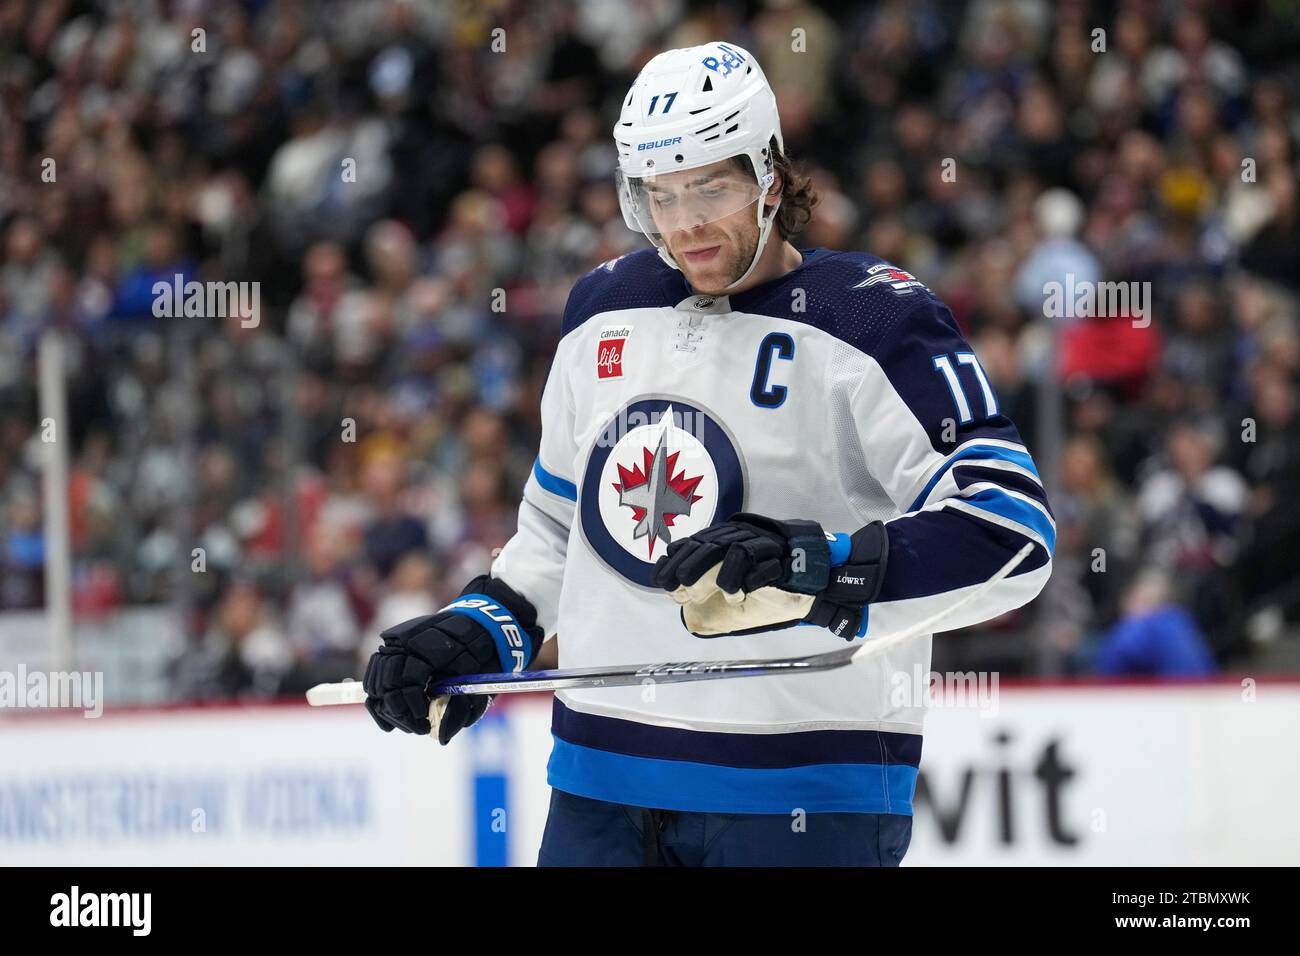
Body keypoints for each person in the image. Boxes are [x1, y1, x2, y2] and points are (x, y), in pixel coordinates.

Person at [361, 41, 1054, 866]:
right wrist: (485, 629)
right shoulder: (600, 309)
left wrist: (821, 565)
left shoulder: (877, 322)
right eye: (660, 192)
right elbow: (556, 532)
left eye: (710, 186)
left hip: (801, 800)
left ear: (769, 173)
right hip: (597, 790)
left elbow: (1013, 534)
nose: (684, 221)